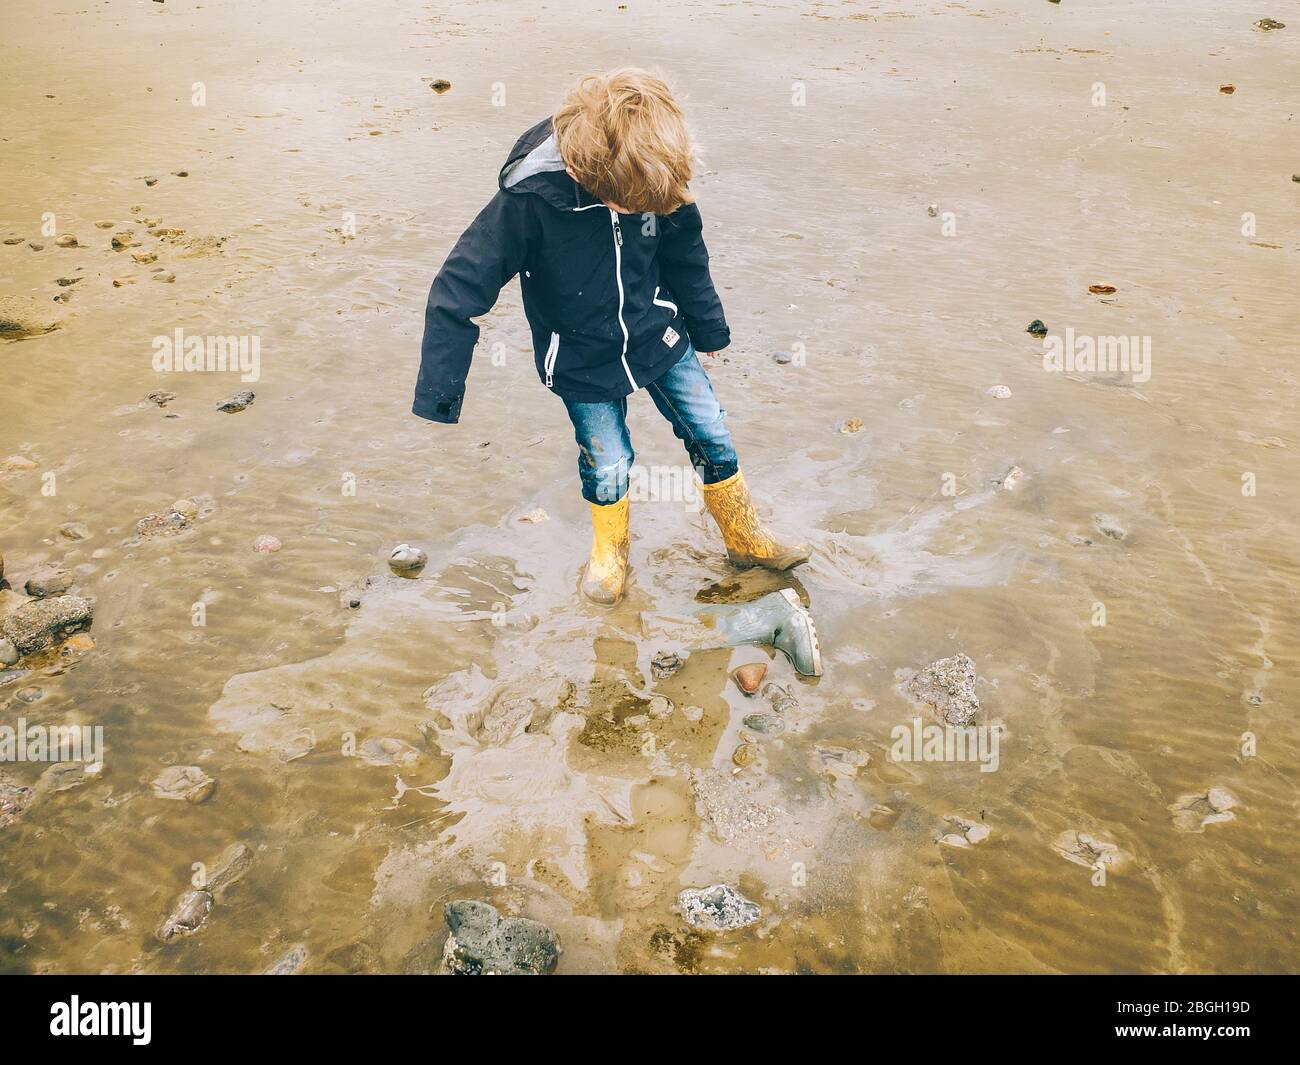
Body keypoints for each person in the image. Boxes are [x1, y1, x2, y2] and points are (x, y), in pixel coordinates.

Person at [413, 68, 809, 605]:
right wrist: (440, 393)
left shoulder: (655, 174)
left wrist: (708, 326)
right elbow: (457, 289)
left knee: (711, 428)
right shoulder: (528, 202)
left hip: (658, 333)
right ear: (579, 167)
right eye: (626, 203)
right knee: (609, 459)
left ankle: (745, 537)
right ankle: (610, 555)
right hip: (580, 355)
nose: (635, 210)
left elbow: (686, 257)